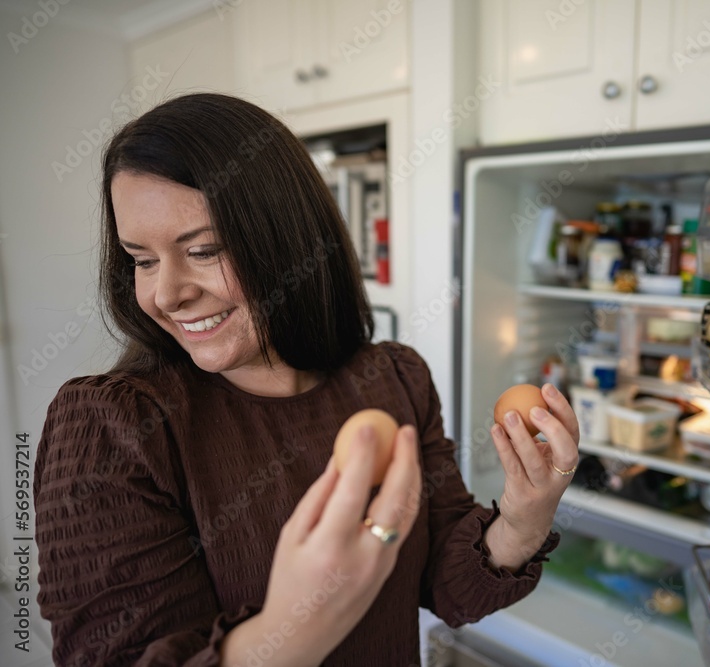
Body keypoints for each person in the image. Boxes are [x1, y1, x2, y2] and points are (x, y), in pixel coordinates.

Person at [32, 93, 580, 666]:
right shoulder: (110, 427)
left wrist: (522, 520)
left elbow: (445, 585)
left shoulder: (396, 379)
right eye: (142, 261)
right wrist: (297, 627)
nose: (166, 294)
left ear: (290, 238)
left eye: (203, 250)